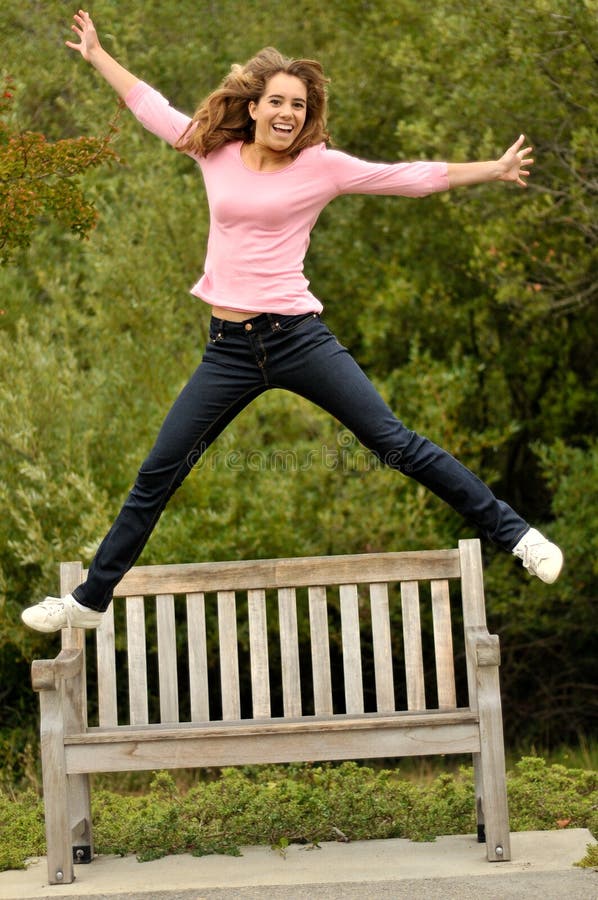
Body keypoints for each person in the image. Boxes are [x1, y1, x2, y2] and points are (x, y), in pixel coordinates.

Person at [22, 10, 563, 633]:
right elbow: (151, 106)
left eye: (299, 106)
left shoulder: (322, 167)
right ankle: (89, 602)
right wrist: (96, 55)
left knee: (394, 443)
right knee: (158, 473)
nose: (288, 113)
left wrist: (491, 170)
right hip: (227, 349)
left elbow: (409, 178)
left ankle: (519, 537)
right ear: (253, 107)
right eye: (276, 101)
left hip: (297, 339)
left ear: (307, 117)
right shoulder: (212, 149)